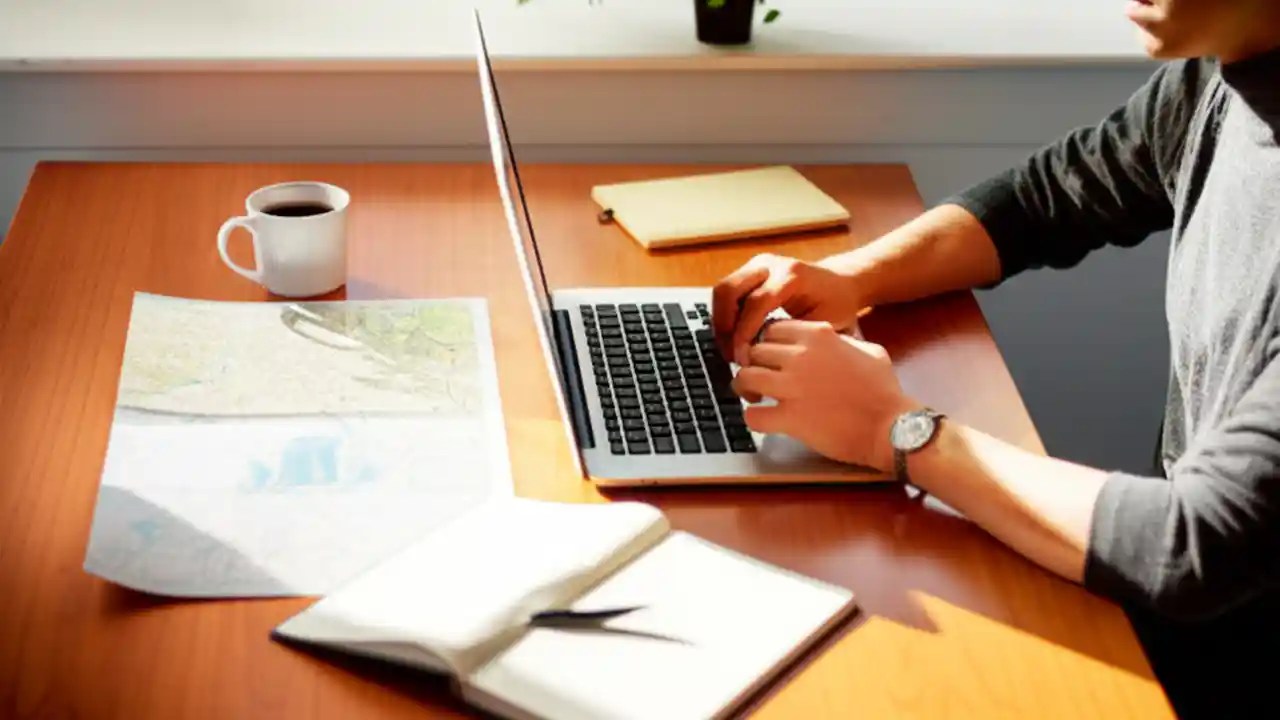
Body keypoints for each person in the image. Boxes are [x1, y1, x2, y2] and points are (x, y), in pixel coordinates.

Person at [711, 1, 1280, 716]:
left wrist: (895, 429)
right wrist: (855, 277)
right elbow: (1047, 199)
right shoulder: (1223, 75)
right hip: (1197, 612)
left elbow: (1196, 548)